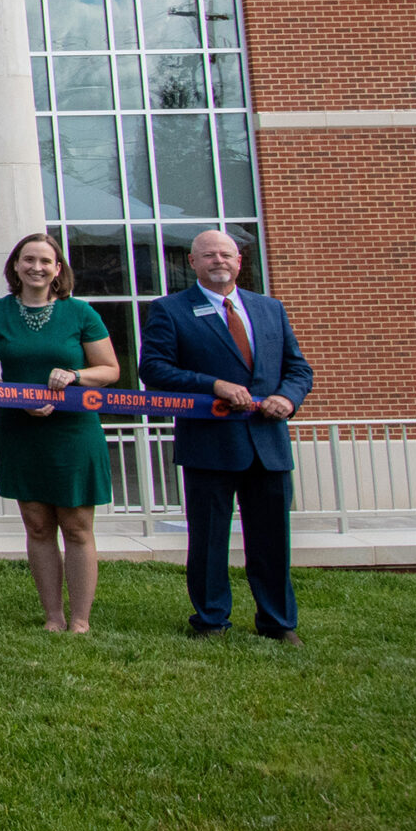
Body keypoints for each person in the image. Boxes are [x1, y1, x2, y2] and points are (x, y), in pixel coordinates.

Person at [140, 229, 314, 643]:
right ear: (192, 262)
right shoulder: (170, 310)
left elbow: (298, 369)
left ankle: (278, 623)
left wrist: (287, 398)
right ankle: (211, 620)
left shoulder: (269, 308)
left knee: (272, 541)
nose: (219, 261)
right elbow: (154, 369)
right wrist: (213, 385)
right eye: (209, 255)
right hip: (209, 444)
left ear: (239, 261)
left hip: (268, 444)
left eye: (226, 254)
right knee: (209, 540)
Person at [0, 232, 119, 633]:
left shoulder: (80, 312)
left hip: (73, 432)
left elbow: (110, 370)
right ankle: (53, 616)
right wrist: (18, 399)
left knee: (76, 525)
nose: (36, 267)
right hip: (21, 428)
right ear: (15, 266)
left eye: (45, 261)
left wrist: (75, 376)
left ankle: (80, 620)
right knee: (37, 525)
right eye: (28, 260)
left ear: (57, 269)